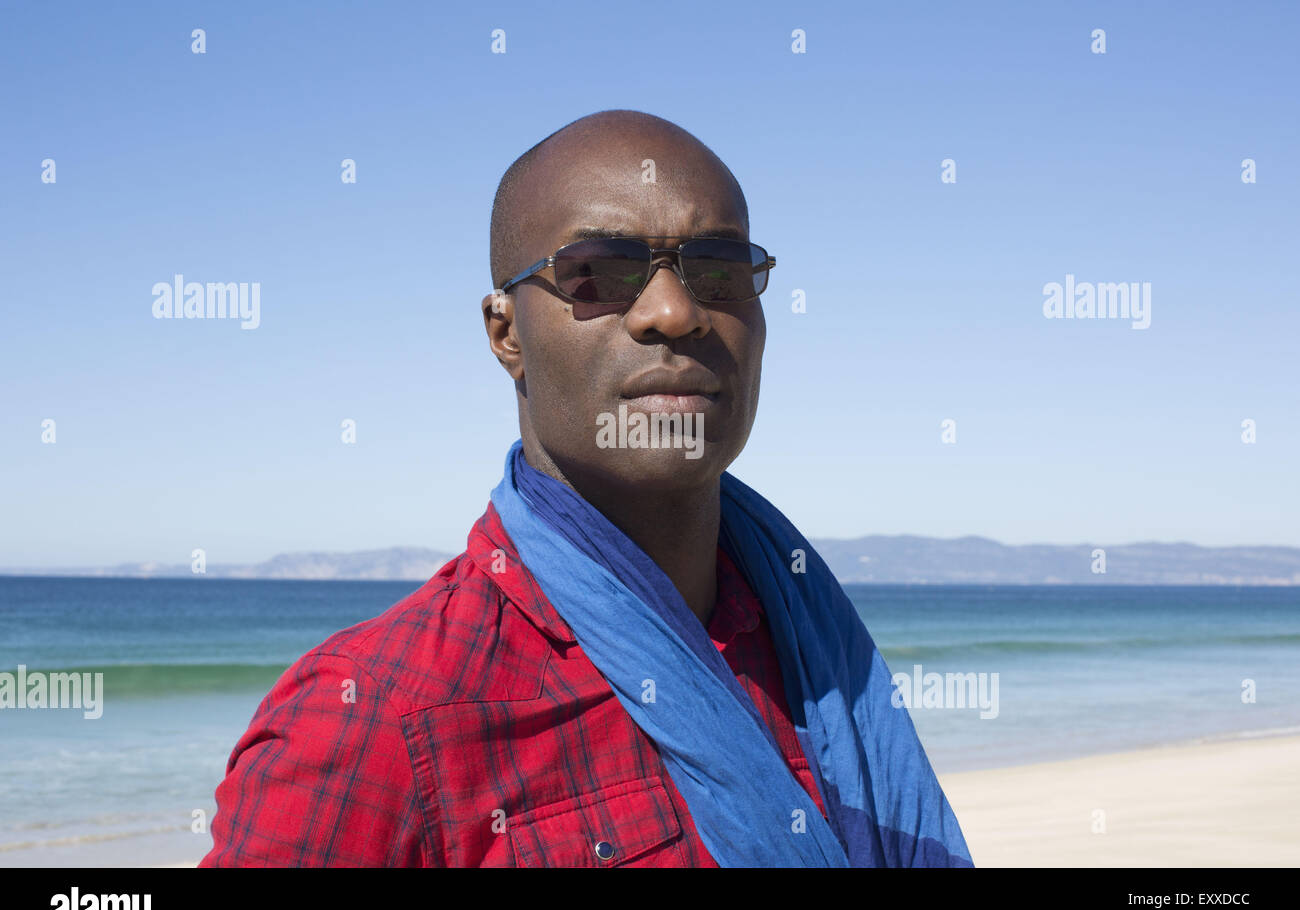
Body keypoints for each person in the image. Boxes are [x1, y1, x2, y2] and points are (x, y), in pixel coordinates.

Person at [200, 109, 972, 867]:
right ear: (507, 334)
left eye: (717, 271)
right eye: (598, 273)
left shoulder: (812, 644)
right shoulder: (375, 718)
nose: (675, 311)